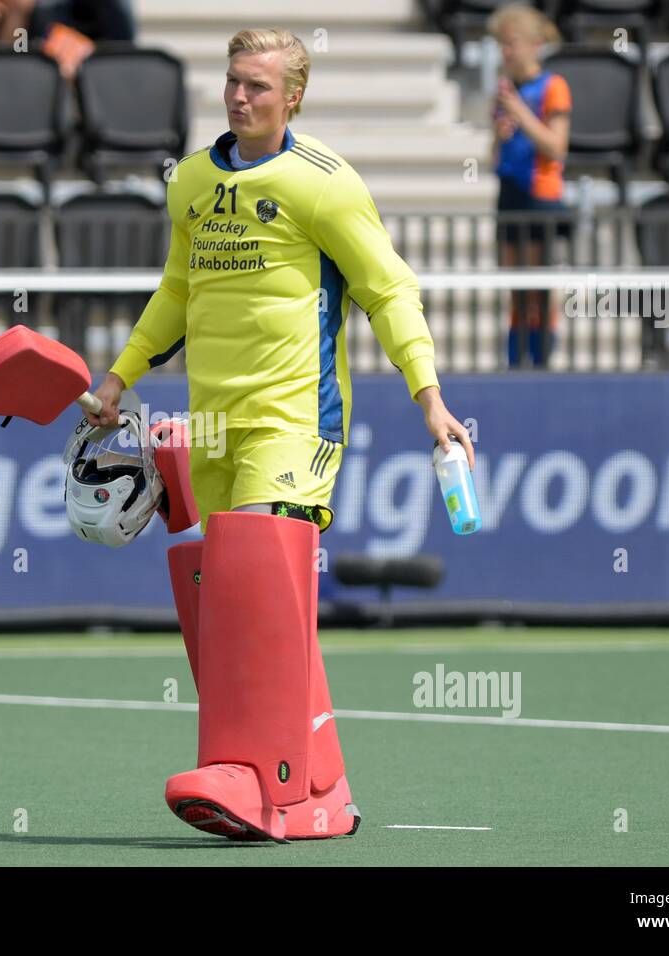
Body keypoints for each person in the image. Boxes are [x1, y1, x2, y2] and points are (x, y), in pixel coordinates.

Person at [83, 28, 474, 841]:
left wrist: (428, 396)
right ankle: (319, 788)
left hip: (295, 418)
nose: (239, 97)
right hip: (210, 422)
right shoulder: (190, 181)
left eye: (258, 87)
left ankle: (266, 785)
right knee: (238, 605)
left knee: (258, 578)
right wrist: (119, 376)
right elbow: (176, 294)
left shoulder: (323, 184)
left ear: (293, 98)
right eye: (232, 82)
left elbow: (389, 291)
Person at [489, 4, 572, 368]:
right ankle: (515, 359)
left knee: (538, 288)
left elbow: (556, 146)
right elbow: (494, 156)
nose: (506, 51)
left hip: (541, 196)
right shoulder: (505, 89)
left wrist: (520, 113)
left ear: (534, 44)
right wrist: (498, 134)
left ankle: (541, 362)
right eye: (502, 44)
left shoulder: (553, 86)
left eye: (512, 43)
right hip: (510, 193)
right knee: (515, 289)